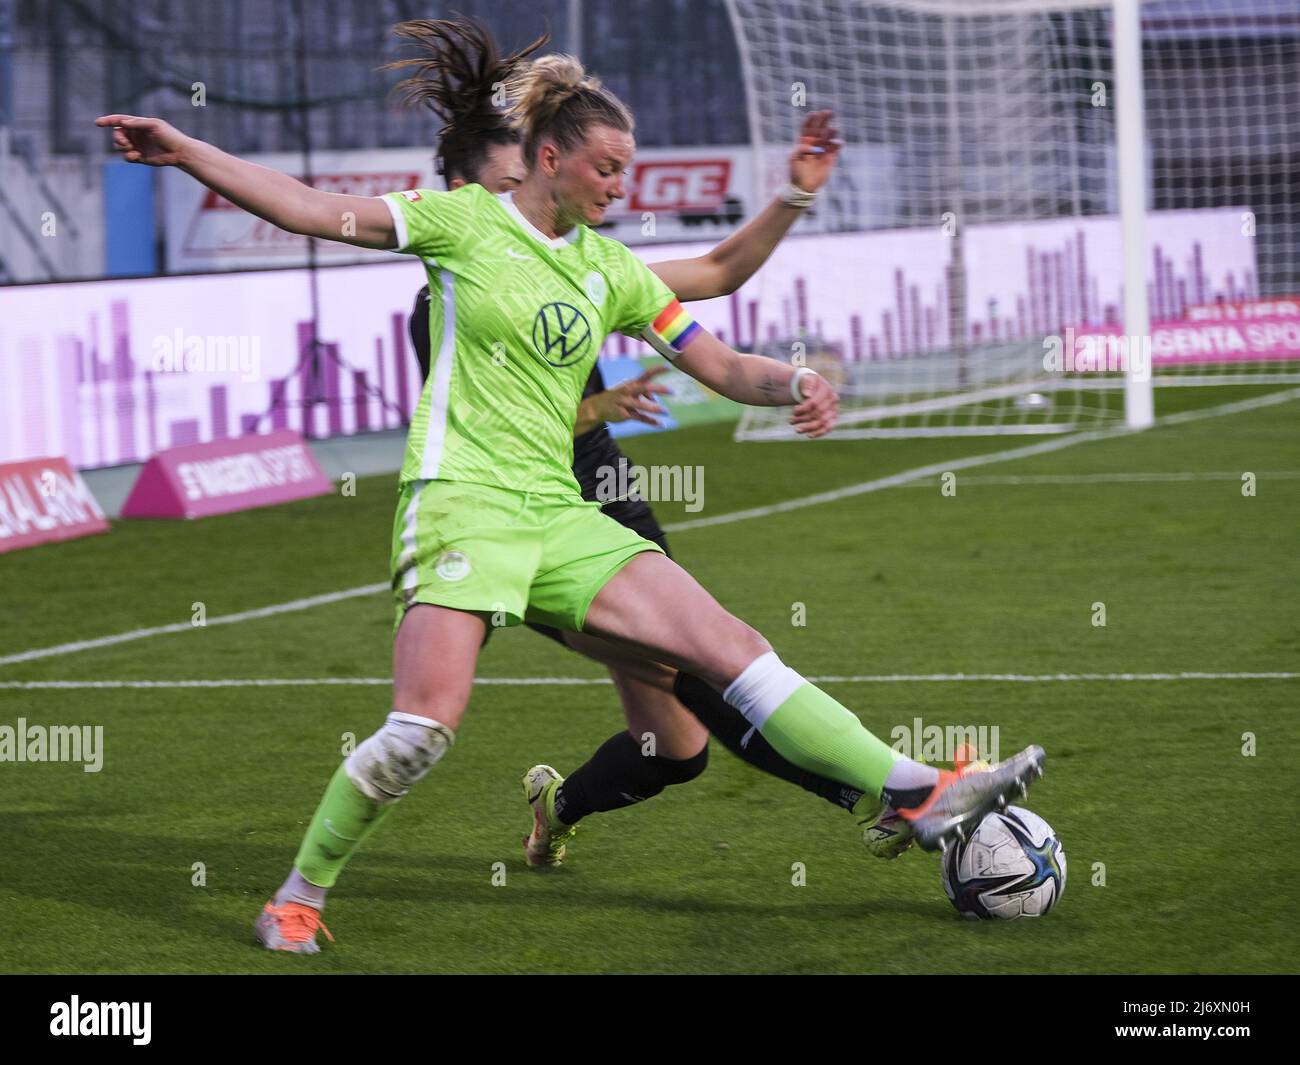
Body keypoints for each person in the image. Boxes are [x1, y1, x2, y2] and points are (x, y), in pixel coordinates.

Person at [96, 43, 1044, 955]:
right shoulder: (462, 223)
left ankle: (917, 790)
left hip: (560, 515)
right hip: (462, 505)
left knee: (732, 650)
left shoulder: (610, 268)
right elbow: (306, 206)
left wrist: (793, 383)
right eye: (608, 167)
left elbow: (719, 362)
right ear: (549, 158)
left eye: (628, 170)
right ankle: (298, 898)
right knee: (422, 730)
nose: (621, 186)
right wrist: (185, 151)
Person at [389, 17, 913, 866]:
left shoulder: (585, 259)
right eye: (500, 182)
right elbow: (477, 431)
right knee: (701, 670)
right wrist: (602, 408)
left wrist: (798, 194)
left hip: (605, 502)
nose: (520, 193)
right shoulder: (444, 301)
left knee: (674, 747)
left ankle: (555, 807)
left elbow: (716, 275)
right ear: (458, 191)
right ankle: (882, 795)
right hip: (517, 525)